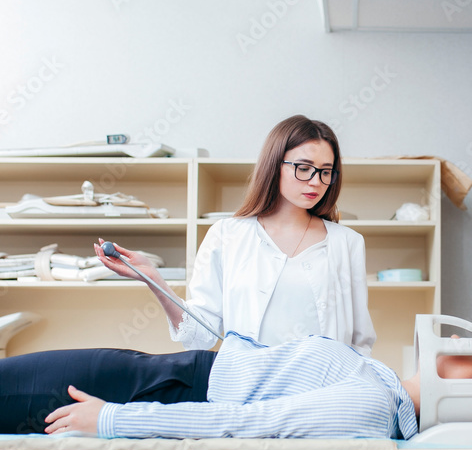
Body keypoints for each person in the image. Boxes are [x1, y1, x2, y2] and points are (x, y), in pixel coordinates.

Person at [97, 115, 376, 355]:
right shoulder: (227, 235)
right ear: (274, 164)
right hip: (246, 396)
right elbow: (200, 336)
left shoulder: (346, 243)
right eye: (303, 168)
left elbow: (360, 342)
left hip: (323, 398)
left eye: (326, 172)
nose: (316, 181)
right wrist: (154, 279)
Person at [0, 332, 472, 440]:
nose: (456, 345)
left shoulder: (373, 406)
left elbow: (244, 426)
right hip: (160, 372)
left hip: (151, 394)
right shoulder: (377, 380)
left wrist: (113, 420)